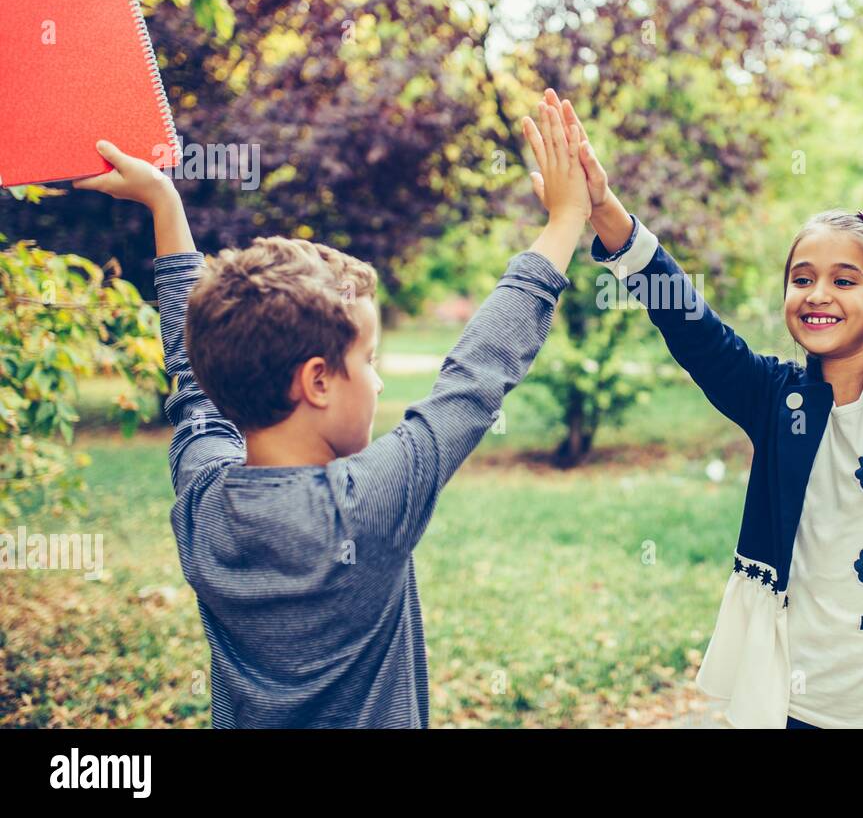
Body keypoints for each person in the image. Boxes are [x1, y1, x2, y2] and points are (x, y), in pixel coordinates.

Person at [528, 15, 863, 729]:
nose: (817, 294)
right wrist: (604, 212)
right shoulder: (771, 398)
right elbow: (689, 324)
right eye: (802, 277)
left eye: (844, 280)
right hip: (809, 710)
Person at [70, 98, 591, 727]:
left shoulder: (202, 499)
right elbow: (475, 375)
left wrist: (165, 206)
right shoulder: (369, 503)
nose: (376, 380)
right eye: (367, 359)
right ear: (318, 380)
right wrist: (565, 221)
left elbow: (193, 384)